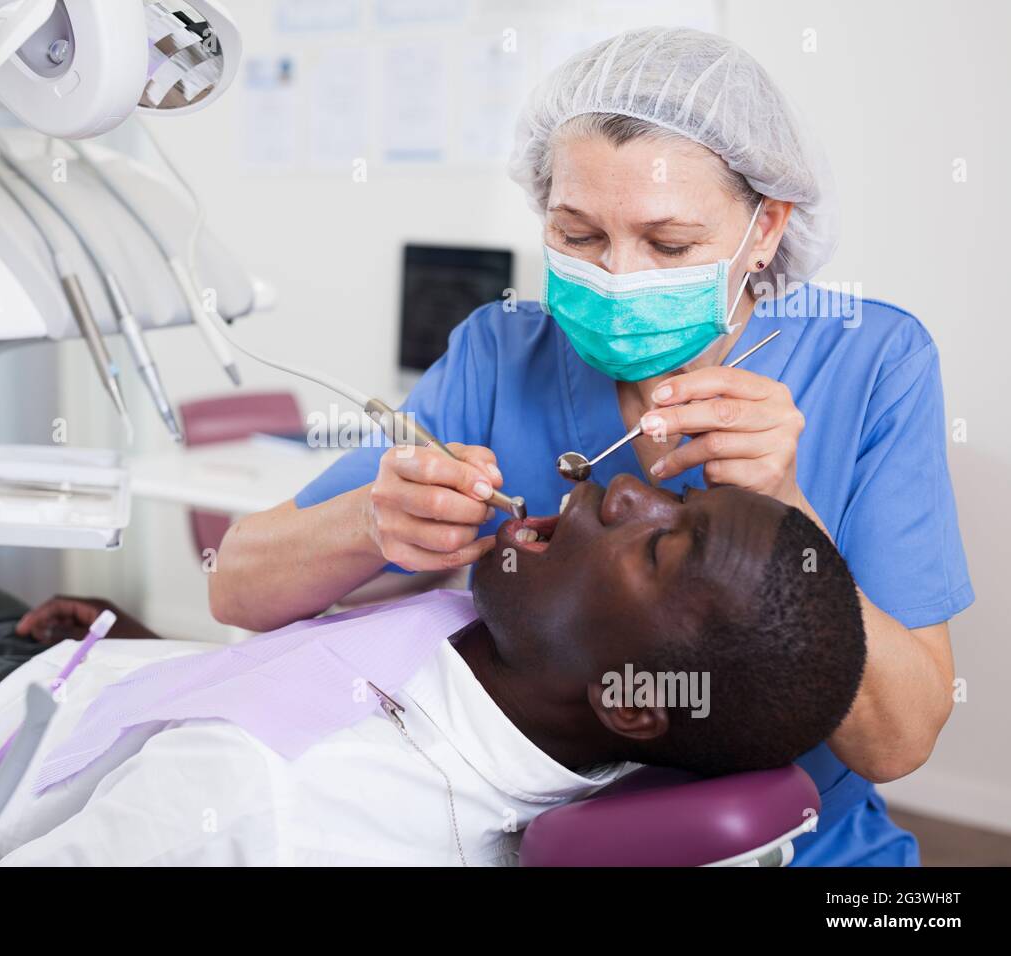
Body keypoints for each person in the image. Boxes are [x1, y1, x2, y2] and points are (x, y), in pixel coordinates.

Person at [208, 27, 971, 865]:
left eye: (669, 245)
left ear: (766, 229)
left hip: (807, 847)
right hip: (525, 838)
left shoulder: (871, 362)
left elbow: (899, 744)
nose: (617, 274)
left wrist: (787, 506)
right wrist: (372, 525)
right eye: (577, 236)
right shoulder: (499, 353)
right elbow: (236, 586)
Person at [0, 476, 865, 865]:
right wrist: (141, 635)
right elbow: (290, 658)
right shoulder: (514, 650)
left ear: (632, 701)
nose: (629, 492)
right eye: (675, 497)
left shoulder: (260, 799)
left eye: (663, 542)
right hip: (75, 663)